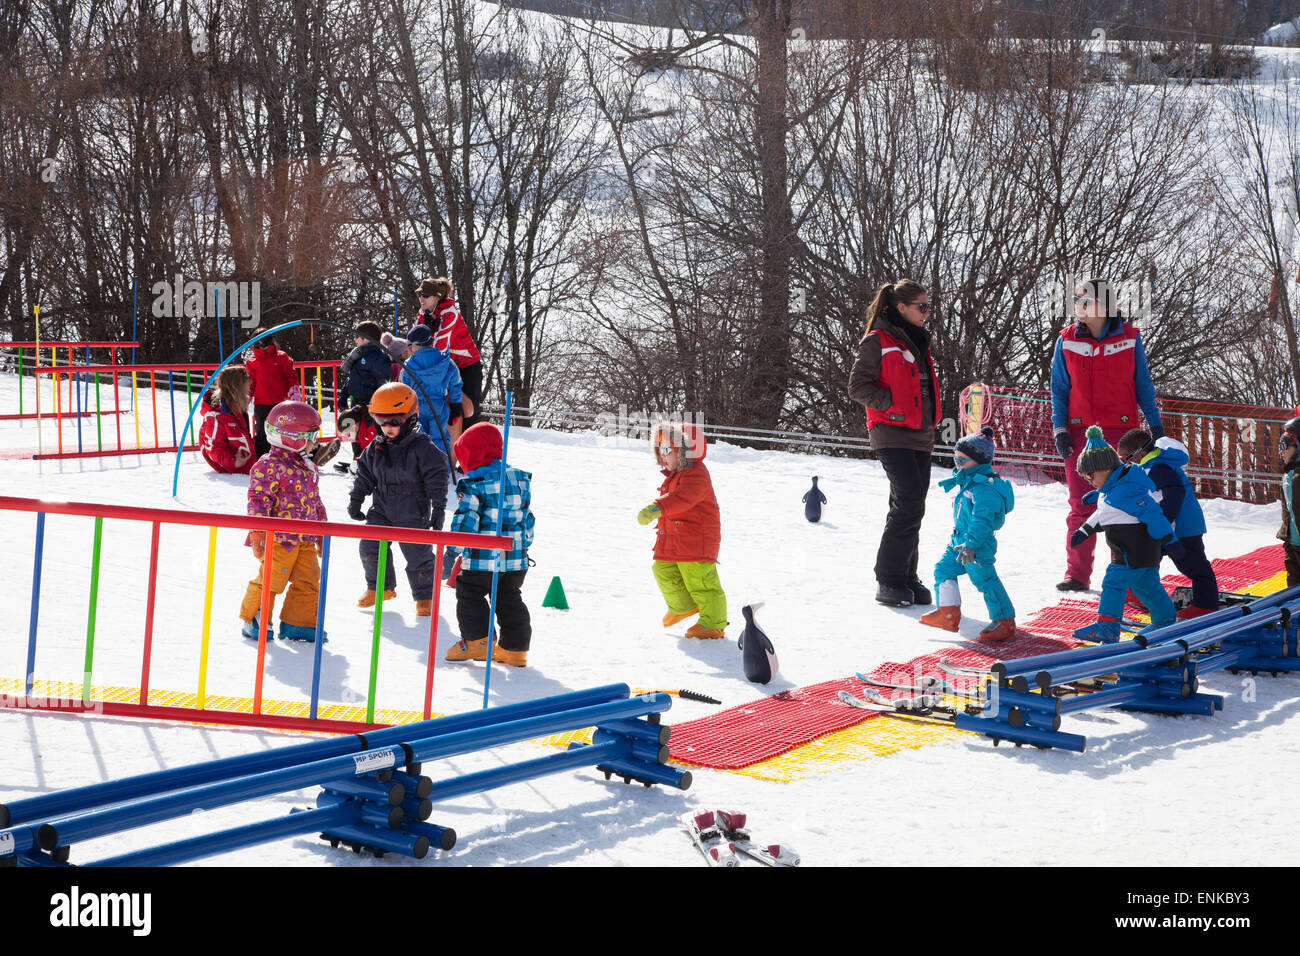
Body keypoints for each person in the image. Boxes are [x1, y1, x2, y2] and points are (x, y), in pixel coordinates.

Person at [1050, 278, 1163, 592]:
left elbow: (1143, 385)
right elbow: (1058, 390)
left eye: (1085, 300)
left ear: (1106, 305)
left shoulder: (1130, 338)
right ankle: (1077, 574)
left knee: (1123, 504)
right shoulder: (1066, 339)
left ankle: (1124, 572)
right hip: (1079, 432)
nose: (1079, 306)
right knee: (1081, 505)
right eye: (1076, 300)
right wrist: (1059, 428)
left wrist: (1155, 427)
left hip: (1121, 432)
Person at [847, 279, 940, 607]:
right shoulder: (878, 340)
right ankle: (888, 579)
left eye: (929, 307)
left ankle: (906, 575)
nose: (927, 313)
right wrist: (892, 402)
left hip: (921, 434)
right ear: (901, 307)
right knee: (909, 502)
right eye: (922, 307)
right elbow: (858, 386)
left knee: (911, 505)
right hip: (891, 432)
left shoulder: (919, 341)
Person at [1069, 427, 1180, 642]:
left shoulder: (1127, 490)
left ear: (1106, 469)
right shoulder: (1113, 489)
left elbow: (1153, 513)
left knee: (1113, 583)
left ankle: (1108, 626)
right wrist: (1084, 530)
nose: (1089, 480)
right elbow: (1104, 513)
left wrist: (1170, 539)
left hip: (1132, 550)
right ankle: (1165, 619)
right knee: (1146, 585)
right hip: (1140, 551)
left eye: (1090, 475)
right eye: (1085, 477)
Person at [346, 382, 449, 615]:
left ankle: (424, 596)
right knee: (370, 546)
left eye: (395, 421)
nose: (388, 427)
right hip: (381, 507)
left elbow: (437, 477)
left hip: (412, 508)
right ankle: (379, 587)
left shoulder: (422, 447)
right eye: (381, 421)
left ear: (411, 418)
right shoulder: (375, 447)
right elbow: (364, 474)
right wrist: (356, 499)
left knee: (417, 554)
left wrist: (439, 507)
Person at [443, 421, 535, 667]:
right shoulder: (519, 480)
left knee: (470, 592)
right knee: (509, 597)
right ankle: (514, 649)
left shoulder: (474, 481)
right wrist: (525, 545)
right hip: (515, 559)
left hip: (483, 560)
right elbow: (527, 518)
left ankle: (478, 641)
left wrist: (451, 550)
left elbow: (466, 520)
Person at [239, 401, 328, 643]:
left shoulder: (308, 467)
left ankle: (298, 623)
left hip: (306, 539)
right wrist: (258, 532)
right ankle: (254, 618)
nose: (314, 442)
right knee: (271, 579)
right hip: (278, 539)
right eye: (310, 436)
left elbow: (315, 501)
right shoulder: (269, 466)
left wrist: (322, 529)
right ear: (291, 437)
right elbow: (257, 500)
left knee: (308, 580)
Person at [920, 426, 1017, 643]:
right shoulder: (970, 482)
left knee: (985, 580)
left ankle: (1005, 621)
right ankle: (948, 613)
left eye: (963, 460)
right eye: (956, 458)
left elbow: (982, 520)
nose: (957, 464)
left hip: (976, 546)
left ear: (980, 461)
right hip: (958, 543)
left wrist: (971, 543)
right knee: (943, 570)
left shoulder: (985, 489)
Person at [1117, 428, 1219, 618]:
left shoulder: (1158, 468)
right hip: (1167, 527)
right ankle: (1139, 592)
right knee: (1145, 557)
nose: (1125, 463)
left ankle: (1206, 604)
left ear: (1140, 453)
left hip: (1183, 528)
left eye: (1126, 458)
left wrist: (1162, 522)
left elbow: (1174, 495)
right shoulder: (1147, 468)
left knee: (1193, 565)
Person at [638, 422, 727, 639]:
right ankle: (682, 606)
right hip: (676, 540)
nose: (663, 455)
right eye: (660, 449)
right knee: (662, 569)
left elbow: (682, 498)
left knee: (700, 582)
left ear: (685, 451)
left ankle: (713, 623)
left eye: (668, 449)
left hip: (697, 541)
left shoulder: (696, 474)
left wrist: (657, 507)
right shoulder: (676, 475)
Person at [415, 277, 480, 440]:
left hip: (466, 366)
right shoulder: (422, 313)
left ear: (436, 297)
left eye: (425, 295)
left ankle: (471, 458)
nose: (421, 299)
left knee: (468, 414)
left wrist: (428, 332)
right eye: (419, 295)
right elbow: (413, 342)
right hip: (444, 367)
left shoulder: (449, 312)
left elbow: (440, 347)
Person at [400, 324, 463, 464]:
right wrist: (456, 403)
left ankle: (418, 470)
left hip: (416, 408)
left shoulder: (408, 366)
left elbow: (402, 390)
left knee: (417, 439)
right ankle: (442, 469)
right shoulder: (446, 362)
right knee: (440, 438)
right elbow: (456, 383)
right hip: (439, 407)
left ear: (415, 345)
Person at [245, 330, 297, 457]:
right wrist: (247, 396)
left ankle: (287, 454)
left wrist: (294, 391)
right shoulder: (252, 361)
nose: (262, 345)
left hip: (280, 403)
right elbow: (251, 382)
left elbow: (291, 375)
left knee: (284, 430)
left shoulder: (281, 357)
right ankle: (261, 457)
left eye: (264, 342)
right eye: (259, 343)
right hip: (262, 403)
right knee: (262, 431)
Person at [199, 365, 256, 475]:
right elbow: (214, 448)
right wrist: (234, 462)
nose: (251, 382)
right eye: (247, 379)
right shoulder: (216, 415)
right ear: (236, 386)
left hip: (247, 462)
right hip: (233, 467)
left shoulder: (237, 409)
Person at [340, 321, 393, 410]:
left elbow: (383, 381)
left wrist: (378, 403)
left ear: (366, 339)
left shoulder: (377, 357)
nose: (355, 339)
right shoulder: (358, 356)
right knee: (348, 422)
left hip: (371, 405)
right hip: (357, 403)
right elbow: (353, 378)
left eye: (357, 336)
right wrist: (344, 396)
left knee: (364, 423)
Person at [1277, 417, 1300, 586]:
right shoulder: (1287, 475)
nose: (1282, 452)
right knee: (1293, 584)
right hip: (1292, 542)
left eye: (1285, 447)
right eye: (1280, 448)